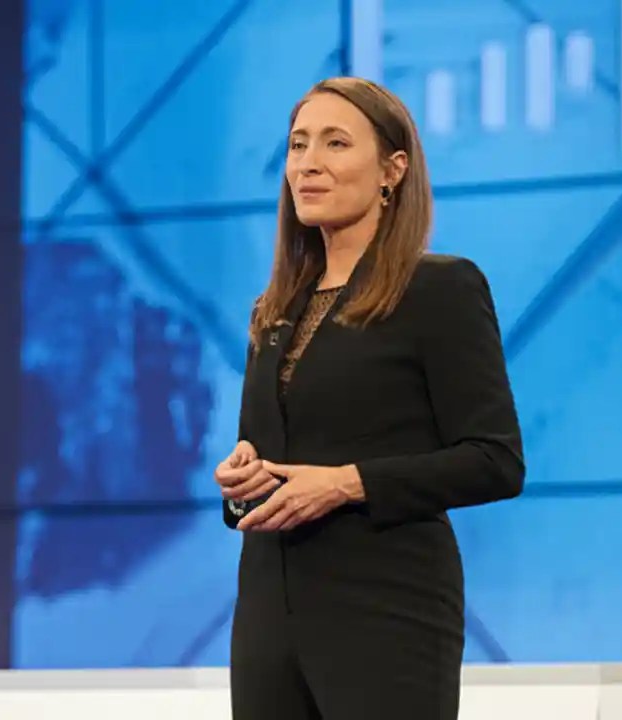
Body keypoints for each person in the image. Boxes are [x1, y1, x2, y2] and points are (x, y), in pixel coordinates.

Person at [213, 77, 525, 720]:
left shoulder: (439, 289)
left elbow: (495, 460)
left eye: (335, 143)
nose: (309, 163)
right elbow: (267, 465)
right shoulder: (273, 311)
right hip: (269, 615)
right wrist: (242, 483)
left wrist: (346, 483)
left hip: (387, 608)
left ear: (392, 169)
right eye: (298, 145)